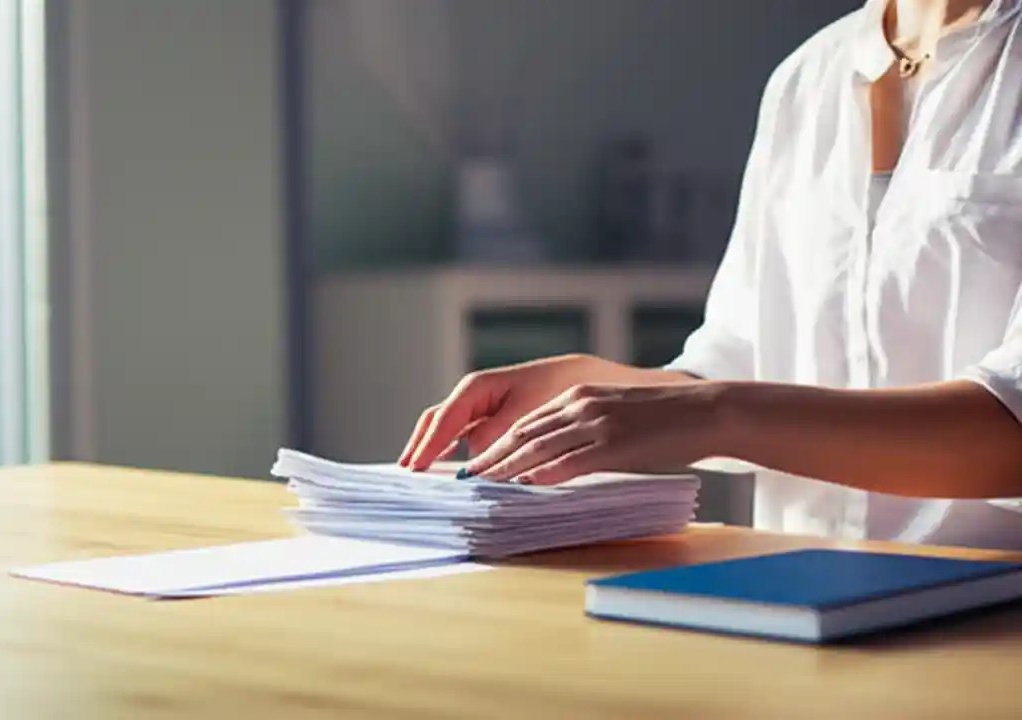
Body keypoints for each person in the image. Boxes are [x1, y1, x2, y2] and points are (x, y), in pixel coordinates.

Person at [399, 0, 1022, 550]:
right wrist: (593, 394)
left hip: (991, 635)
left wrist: (712, 411)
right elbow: (743, 364)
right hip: (800, 608)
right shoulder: (806, 81)